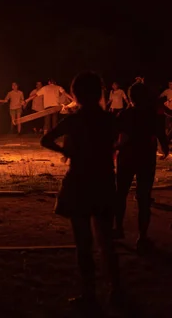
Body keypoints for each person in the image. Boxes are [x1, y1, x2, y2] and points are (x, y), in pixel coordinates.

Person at [40, 71, 121, 309]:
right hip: (104, 180)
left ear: (75, 94)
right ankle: (115, 289)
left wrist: (68, 152)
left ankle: (89, 293)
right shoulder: (109, 119)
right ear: (100, 93)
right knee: (106, 239)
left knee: (83, 242)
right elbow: (122, 138)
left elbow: (46, 139)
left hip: (79, 182)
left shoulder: (74, 120)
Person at [114, 82, 169, 253]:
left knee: (120, 193)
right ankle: (142, 237)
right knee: (144, 198)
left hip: (127, 158)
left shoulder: (125, 114)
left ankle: (118, 229)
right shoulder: (152, 114)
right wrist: (165, 148)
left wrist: (115, 148)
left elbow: (120, 137)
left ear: (130, 98)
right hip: (146, 158)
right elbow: (161, 135)